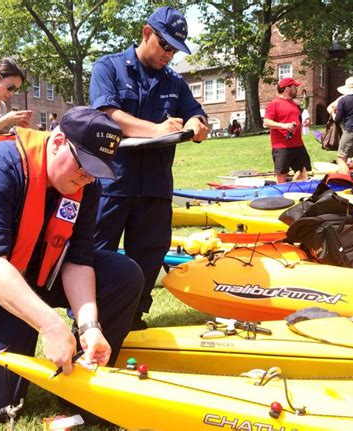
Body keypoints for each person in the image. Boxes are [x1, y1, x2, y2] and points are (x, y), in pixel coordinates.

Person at [0, 107, 144, 426]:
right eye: (84, 165)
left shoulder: (85, 184)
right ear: (58, 142)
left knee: (123, 274)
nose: (88, 176)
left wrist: (90, 325)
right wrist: (50, 325)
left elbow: (79, 259)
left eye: (97, 170)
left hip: (42, 274)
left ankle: (80, 378)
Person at [89, 6, 208, 330]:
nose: (169, 54)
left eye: (176, 49)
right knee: (98, 251)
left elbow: (196, 112)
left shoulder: (174, 81)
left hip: (155, 184)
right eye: (165, 45)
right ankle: (88, 318)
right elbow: (108, 114)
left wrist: (198, 122)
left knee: (150, 253)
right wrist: (156, 129)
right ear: (146, 33)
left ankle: (133, 317)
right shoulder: (109, 67)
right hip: (113, 181)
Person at [263, 77, 311, 184]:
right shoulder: (274, 104)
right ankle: (282, 198)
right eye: (295, 87)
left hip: (298, 144)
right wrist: (284, 126)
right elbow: (266, 122)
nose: (296, 89)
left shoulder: (295, 104)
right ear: (287, 88)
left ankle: (301, 193)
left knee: (303, 170)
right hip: (281, 146)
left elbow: (297, 119)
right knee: (282, 174)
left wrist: (305, 123)